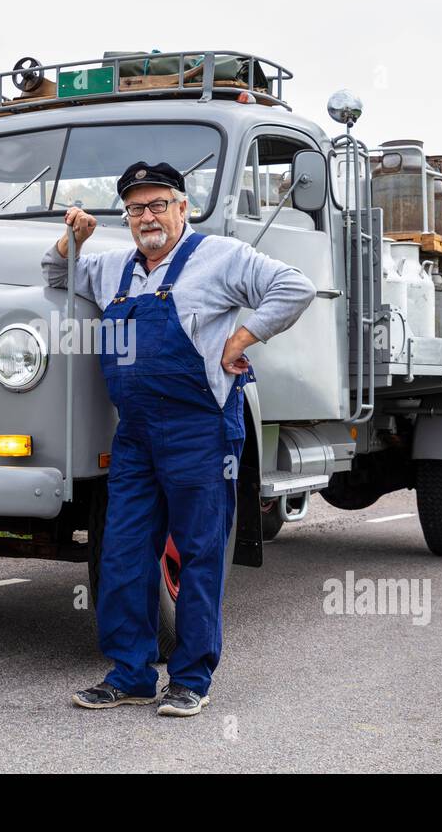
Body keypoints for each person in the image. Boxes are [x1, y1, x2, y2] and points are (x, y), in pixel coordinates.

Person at [41, 160, 316, 716]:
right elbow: (53, 277)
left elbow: (296, 287)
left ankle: (191, 678)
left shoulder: (220, 257)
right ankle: (130, 673)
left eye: (158, 204)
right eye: (136, 207)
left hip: (202, 430)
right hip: (136, 434)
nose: (148, 216)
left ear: (182, 207)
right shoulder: (112, 266)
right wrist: (71, 240)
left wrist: (242, 336)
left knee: (199, 554)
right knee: (122, 554)